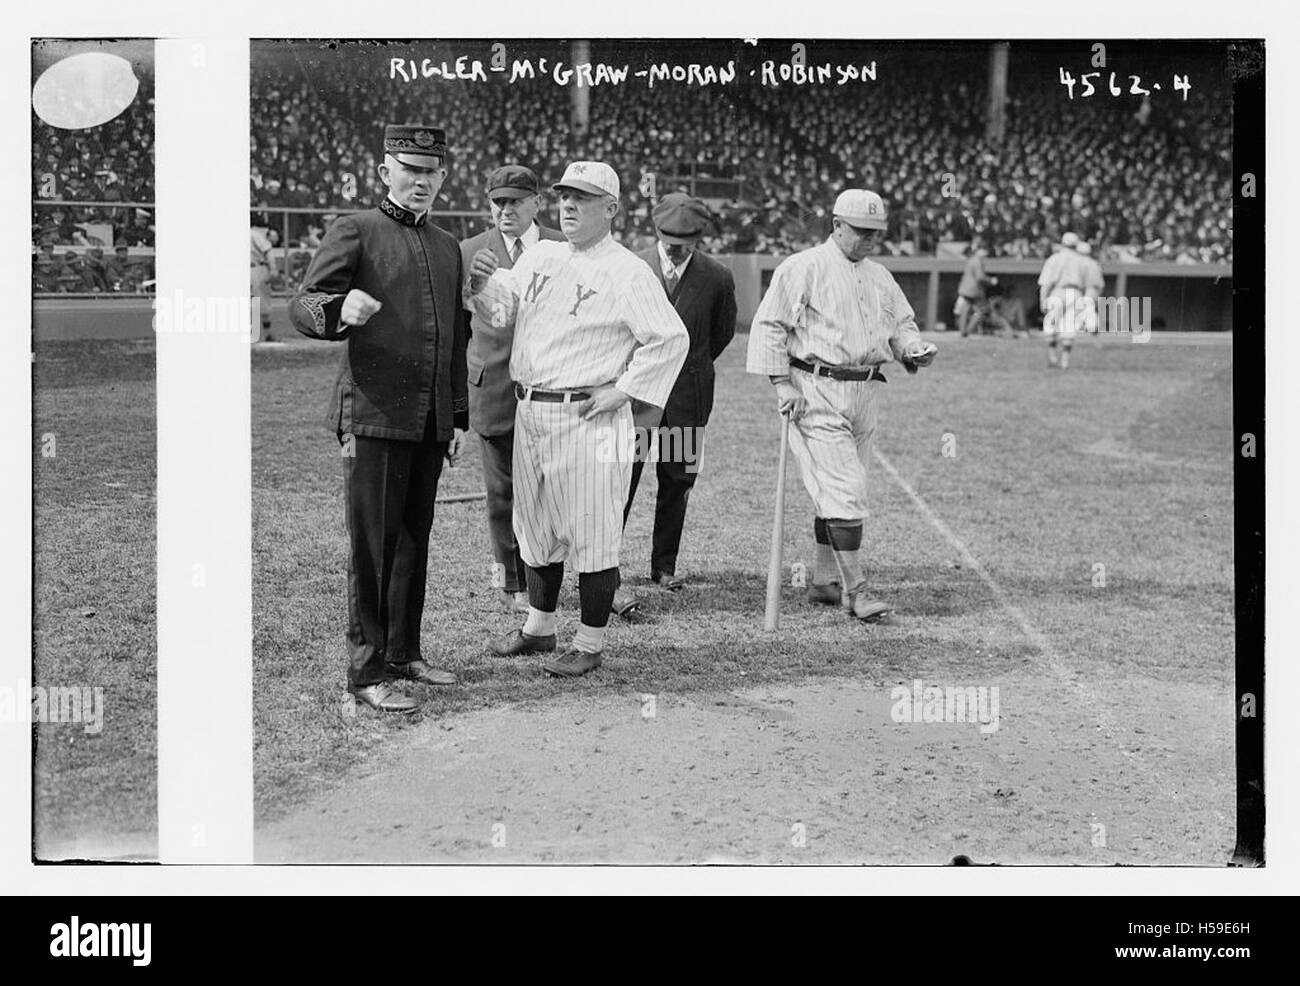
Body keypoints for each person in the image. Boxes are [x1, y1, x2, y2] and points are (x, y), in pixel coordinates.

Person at [465, 160, 688, 678]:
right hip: (531, 408)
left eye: (583, 198)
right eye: (565, 195)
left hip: (586, 416)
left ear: (610, 209)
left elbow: (671, 339)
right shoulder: (542, 254)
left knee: (592, 529)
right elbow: (501, 314)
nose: (569, 205)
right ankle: (539, 628)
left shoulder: (628, 270)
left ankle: (589, 643)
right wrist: (482, 287)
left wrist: (625, 391)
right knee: (534, 526)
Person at [289, 124, 469, 714]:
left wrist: (457, 417)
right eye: (410, 170)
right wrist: (342, 308)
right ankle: (366, 675)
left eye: (431, 172)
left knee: (414, 541)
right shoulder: (356, 230)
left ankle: (403, 653)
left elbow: (454, 339)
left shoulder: (446, 246)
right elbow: (304, 304)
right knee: (372, 546)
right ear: (384, 171)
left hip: (428, 422)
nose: (421, 182)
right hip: (372, 415)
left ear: (443, 177)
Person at [746, 188, 937, 621]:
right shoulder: (803, 267)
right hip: (816, 388)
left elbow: (900, 326)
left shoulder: (880, 276)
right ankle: (858, 591)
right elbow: (770, 325)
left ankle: (823, 581)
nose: (869, 239)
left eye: (876, 232)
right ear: (836, 225)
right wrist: (782, 384)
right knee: (845, 490)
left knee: (839, 491)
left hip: (865, 390)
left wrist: (912, 348)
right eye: (861, 231)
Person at [611, 192, 737, 616]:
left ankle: (664, 566)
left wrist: (686, 370)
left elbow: (719, 335)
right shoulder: (631, 267)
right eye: (669, 239)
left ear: (700, 237)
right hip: (635, 397)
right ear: (656, 231)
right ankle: (605, 567)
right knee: (619, 481)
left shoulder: (717, 277)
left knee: (676, 482)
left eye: (686, 241)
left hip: (686, 398)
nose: (676, 247)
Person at [459, 165, 565, 616]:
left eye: (515, 202)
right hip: (495, 384)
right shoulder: (468, 250)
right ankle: (511, 579)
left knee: (554, 489)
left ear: (536, 203)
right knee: (502, 491)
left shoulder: (565, 248)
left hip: (551, 383)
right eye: (497, 202)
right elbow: (460, 312)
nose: (505, 210)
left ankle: (551, 575)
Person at [1038, 231, 1101, 368]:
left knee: (1051, 325)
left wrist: (1043, 299)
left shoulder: (1055, 258)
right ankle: (1065, 361)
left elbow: (1046, 282)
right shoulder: (1082, 260)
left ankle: (1053, 356)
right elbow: (1091, 285)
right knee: (1069, 328)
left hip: (1058, 291)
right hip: (1075, 293)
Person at [954, 239, 994, 336]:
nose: (986, 254)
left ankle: (963, 331)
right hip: (974, 290)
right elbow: (979, 277)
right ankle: (967, 330)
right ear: (981, 250)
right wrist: (991, 280)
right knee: (982, 310)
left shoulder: (971, 259)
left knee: (965, 309)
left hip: (965, 288)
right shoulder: (977, 261)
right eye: (985, 251)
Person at [251, 221, 277, 341]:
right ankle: (254, 334)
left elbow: (268, 250)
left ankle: (266, 334)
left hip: (256, 269)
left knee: (259, 302)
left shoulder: (253, 234)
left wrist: (273, 268)